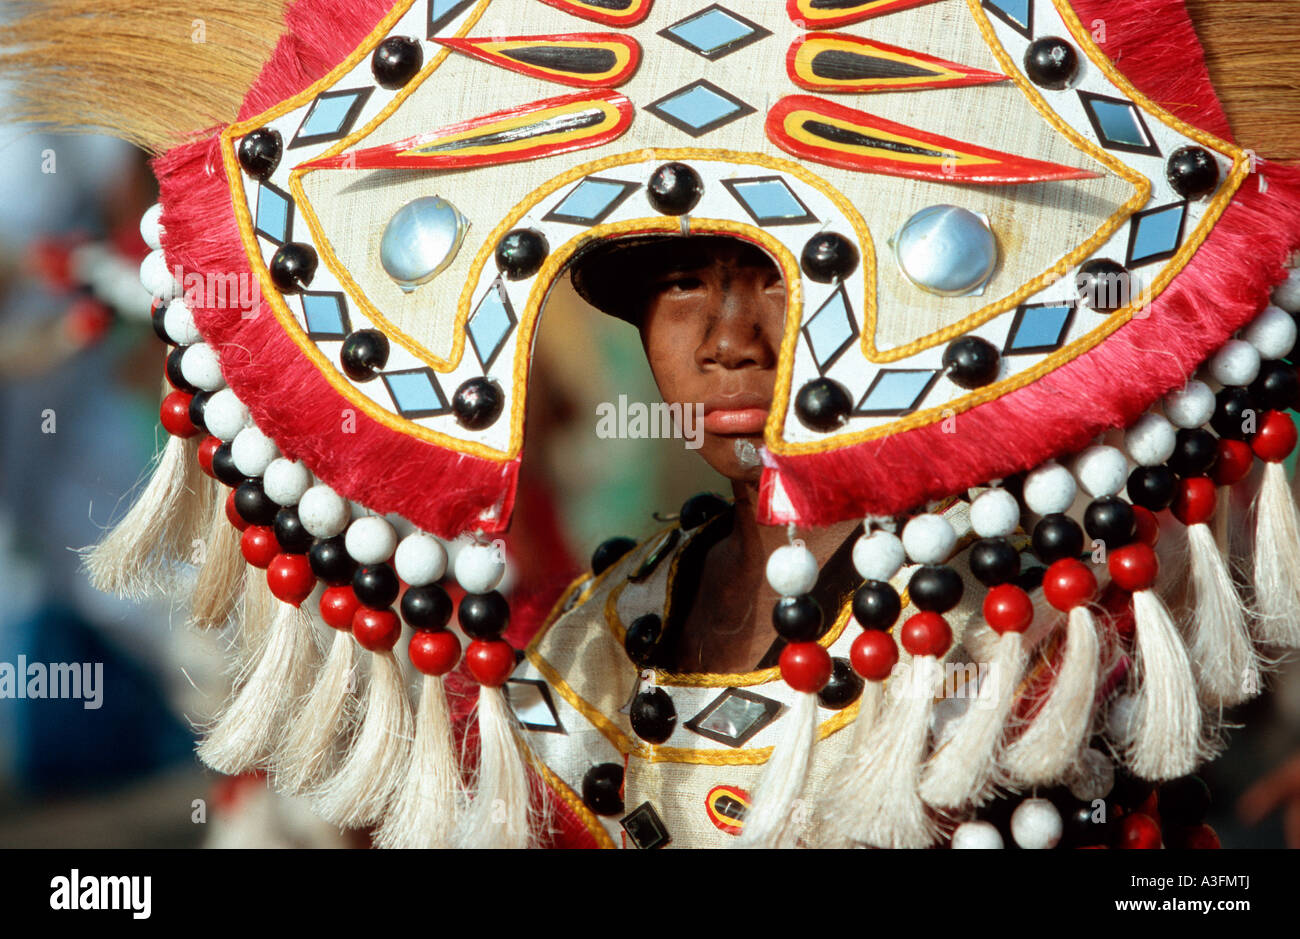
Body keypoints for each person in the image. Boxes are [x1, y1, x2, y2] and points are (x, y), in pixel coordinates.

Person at [5, 0, 1300, 851]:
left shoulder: (1017, 640)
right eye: (683, 280)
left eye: (781, 273)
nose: (731, 334)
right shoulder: (591, 636)